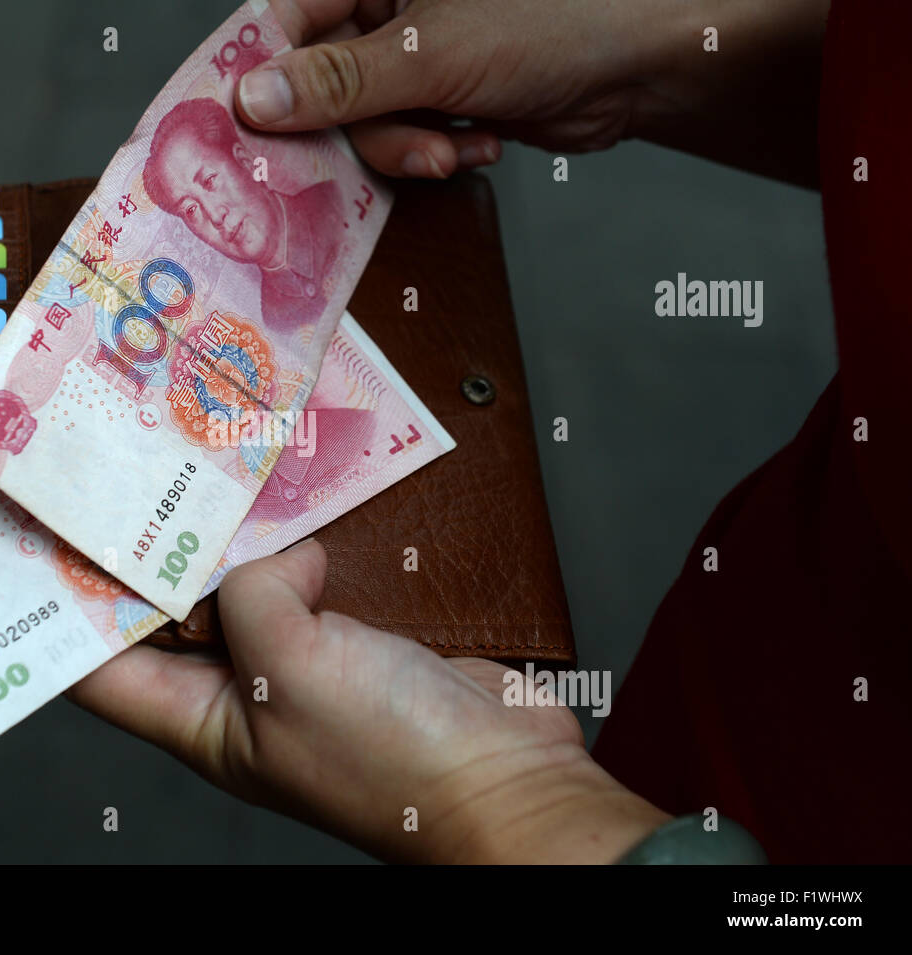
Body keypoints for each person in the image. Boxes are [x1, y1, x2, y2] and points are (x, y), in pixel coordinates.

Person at [71, 0, 909, 863]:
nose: (209, 217)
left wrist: (514, 805)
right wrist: (634, 61)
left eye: (211, 183)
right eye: (194, 208)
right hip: (721, 706)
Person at [142, 97, 343, 331]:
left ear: (245, 162)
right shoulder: (274, 319)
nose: (215, 216)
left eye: (209, 180)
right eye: (190, 209)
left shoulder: (338, 203)